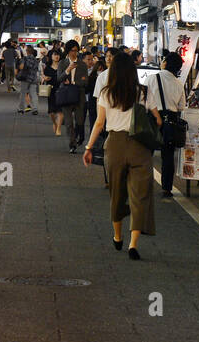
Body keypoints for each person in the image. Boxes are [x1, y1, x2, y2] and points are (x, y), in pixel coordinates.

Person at [83, 51, 156, 260]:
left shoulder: (107, 93)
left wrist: (89, 148)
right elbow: (154, 116)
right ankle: (133, 243)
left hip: (114, 144)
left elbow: (99, 123)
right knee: (140, 194)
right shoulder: (143, 91)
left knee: (117, 193)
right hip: (139, 146)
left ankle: (117, 236)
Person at [145, 52, 186, 198]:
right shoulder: (179, 84)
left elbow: (143, 101)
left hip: (152, 119)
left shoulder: (151, 78)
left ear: (166, 63)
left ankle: (143, 185)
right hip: (171, 120)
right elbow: (182, 107)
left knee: (146, 153)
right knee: (167, 155)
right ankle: (167, 188)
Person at [61, 46, 90, 154]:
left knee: (80, 121)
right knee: (68, 122)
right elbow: (59, 78)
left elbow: (85, 81)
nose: (74, 53)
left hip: (79, 95)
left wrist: (74, 83)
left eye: (76, 51)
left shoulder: (82, 64)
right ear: (68, 52)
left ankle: (79, 137)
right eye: (72, 50)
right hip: (66, 95)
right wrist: (68, 70)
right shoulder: (62, 63)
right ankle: (72, 144)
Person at [43, 49, 65, 136]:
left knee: (60, 111)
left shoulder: (62, 67)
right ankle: (55, 123)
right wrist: (45, 78)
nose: (57, 56)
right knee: (51, 112)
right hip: (51, 91)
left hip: (61, 90)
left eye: (58, 55)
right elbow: (45, 77)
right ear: (51, 56)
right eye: (55, 55)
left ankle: (59, 128)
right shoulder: (47, 68)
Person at [16, 46, 40, 113]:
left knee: (23, 93)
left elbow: (21, 67)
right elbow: (37, 69)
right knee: (34, 94)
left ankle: (21, 109)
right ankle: (35, 109)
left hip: (25, 78)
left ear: (27, 51)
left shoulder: (25, 58)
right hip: (33, 78)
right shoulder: (36, 60)